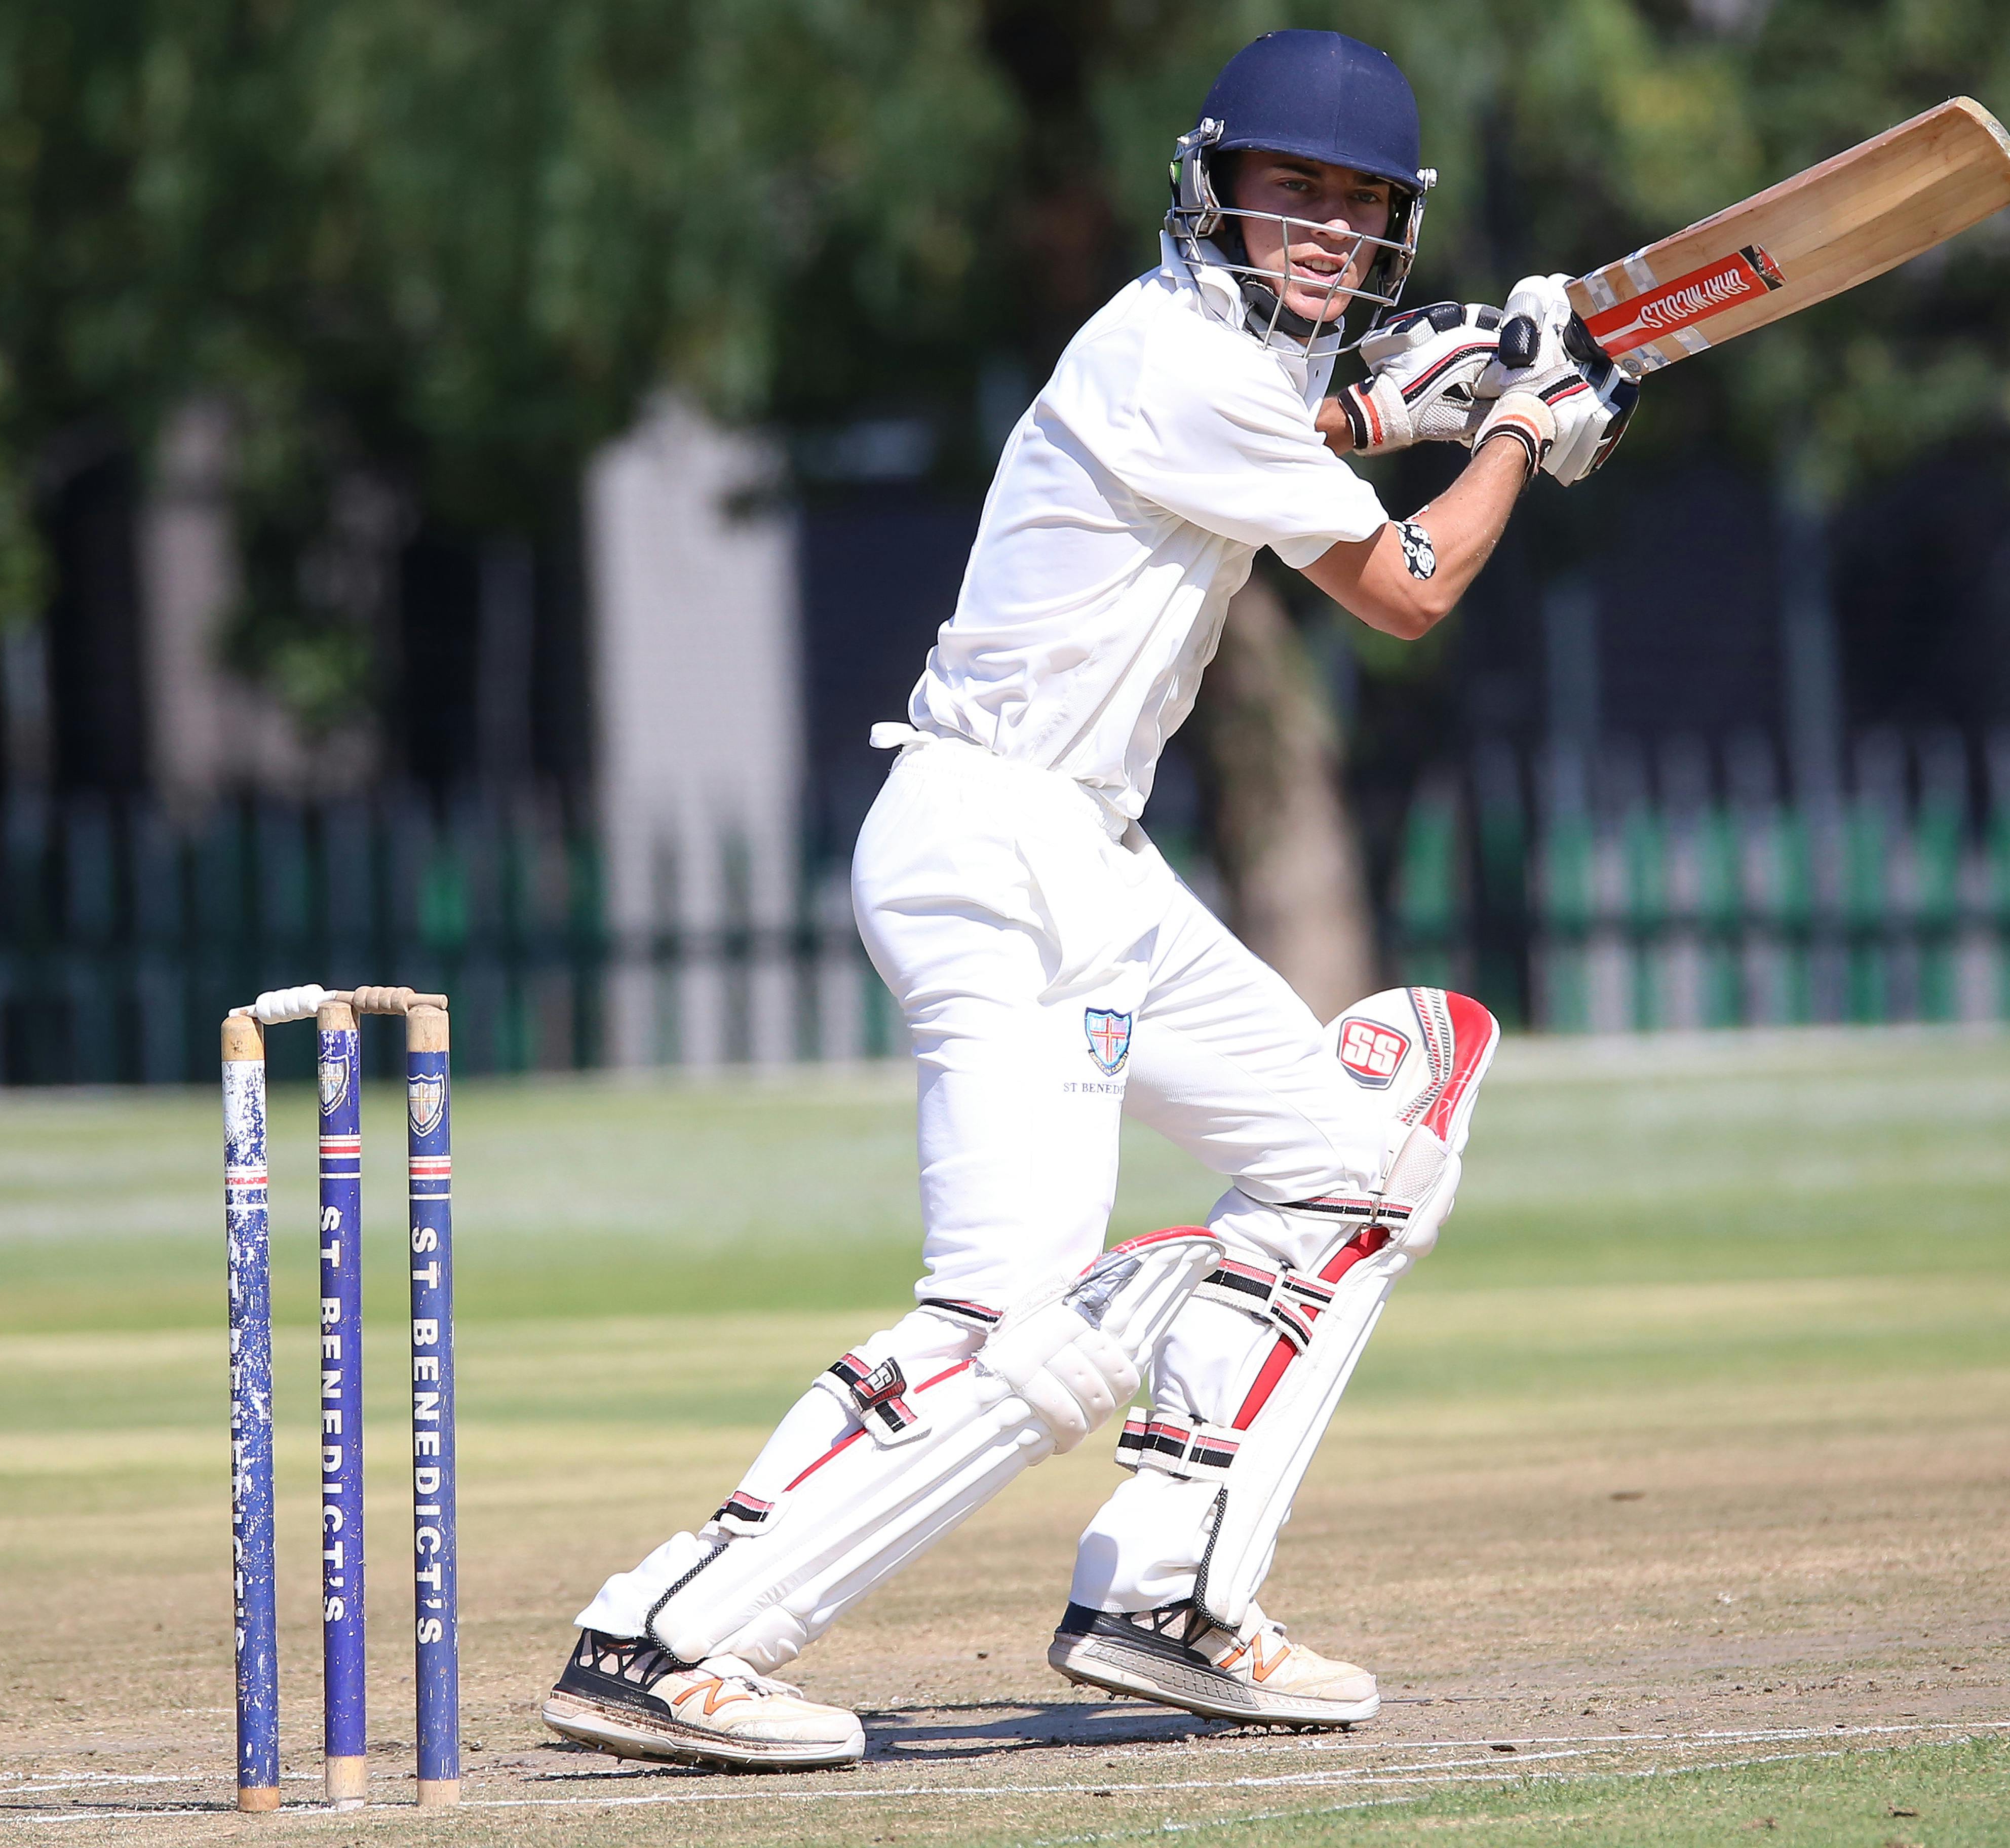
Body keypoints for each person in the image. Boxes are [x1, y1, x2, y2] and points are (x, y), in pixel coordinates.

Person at [539, 27, 1634, 1768]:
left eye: (1361, 208)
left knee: (1363, 1161)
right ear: (1214, 190)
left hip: (1087, 859)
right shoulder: (1167, 353)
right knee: (1019, 1327)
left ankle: (1168, 1594)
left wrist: (1403, 402)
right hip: (1003, 857)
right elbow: (1408, 583)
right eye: (1295, 194)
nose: (1329, 235)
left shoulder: (1217, 371)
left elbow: (1300, 438)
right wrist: (1516, 428)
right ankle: (669, 1635)